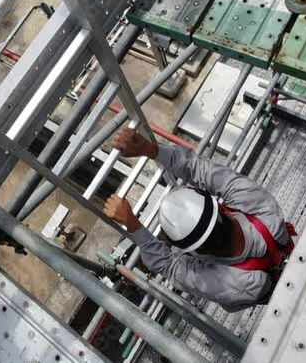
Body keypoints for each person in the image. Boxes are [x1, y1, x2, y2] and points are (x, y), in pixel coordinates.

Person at [102, 128, 294, 311]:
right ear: (219, 208)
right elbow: (202, 170)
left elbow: (169, 266)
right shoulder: (260, 206)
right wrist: (149, 149)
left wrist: (133, 226)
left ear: (198, 251)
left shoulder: (227, 284)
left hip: (273, 294)